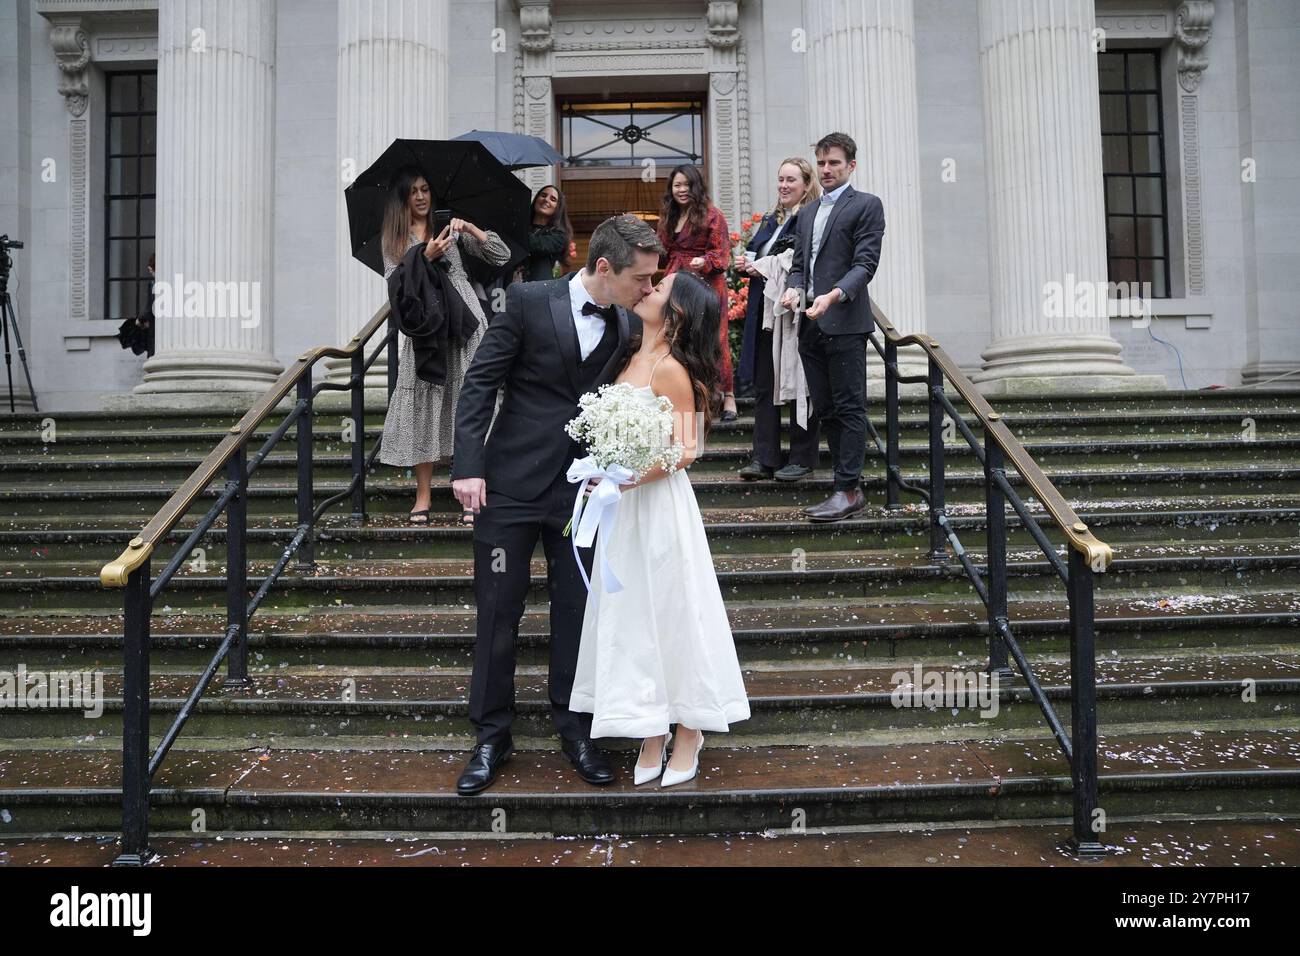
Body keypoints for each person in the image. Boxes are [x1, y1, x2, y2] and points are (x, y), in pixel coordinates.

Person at [449, 214, 665, 795]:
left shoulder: (626, 324)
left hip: (583, 495)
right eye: (641, 279)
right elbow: (480, 384)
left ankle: (577, 730)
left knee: (578, 614)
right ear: (603, 268)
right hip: (510, 487)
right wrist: (467, 466)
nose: (649, 290)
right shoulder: (525, 300)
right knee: (498, 613)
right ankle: (492, 735)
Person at [569, 269, 751, 787]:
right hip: (622, 511)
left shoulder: (672, 369)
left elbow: (689, 448)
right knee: (632, 617)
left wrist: (629, 476)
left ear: (679, 313)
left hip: (658, 505)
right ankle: (650, 728)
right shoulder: (626, 358)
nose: (646, 289)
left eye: (659, 288)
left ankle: (689, 727)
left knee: (671, 610)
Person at [377, 168, 510, 527]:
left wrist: (470, 230)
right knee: (423, 404)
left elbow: (500, 256)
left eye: (425, 189)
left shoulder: (448, 229)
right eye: (413, 191)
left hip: (464, 322)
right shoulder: (393, 238)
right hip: (426, 329)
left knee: (470, 403)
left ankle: (469, 491)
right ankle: (423, 495)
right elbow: (395, 286)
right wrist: (425, 257)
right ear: (403, 198)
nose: (421, 196)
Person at [780, 132, 885, 523]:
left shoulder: (867, 206)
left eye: (834, 163)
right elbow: (799, 264)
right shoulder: (805, 213)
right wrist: (794, 290)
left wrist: (834, 295)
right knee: (825, 409)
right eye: (822, 163)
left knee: (849, 407)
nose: (826, 170)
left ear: (850, 166)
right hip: (809, 325)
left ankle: (848, 489)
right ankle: (843, 486)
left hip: (844, 322)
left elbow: (865, 264)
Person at [736, 157, 822, 482]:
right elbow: (757, 253)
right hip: (764, 311)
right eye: (781, 179)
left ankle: (801, 457)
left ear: (805, 184)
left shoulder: (810, 218)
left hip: (796, 313)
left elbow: (804, 260)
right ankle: (764, 457)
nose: (784, 186)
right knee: (764, 383)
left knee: (800, 383)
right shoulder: (772, 219)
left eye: (791, 180)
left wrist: (765, 264)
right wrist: (749, 264)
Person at [657, 165, 737, 421]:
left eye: (687, 185)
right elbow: (662, 252)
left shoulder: (713, 215)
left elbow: (722, 255)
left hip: (706, 284)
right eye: (677, 185)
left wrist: (705, 261)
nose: (682, 190)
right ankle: (689, 395)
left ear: (697, 186)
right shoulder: (669, 216)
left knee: (714, 338)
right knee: (678, 337)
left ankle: (728, 397)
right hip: (676, 282)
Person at [519, 184, 573, 282]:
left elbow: (536, 244)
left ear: (558, 207)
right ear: (536, 199)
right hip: (510, 286)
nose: (546, 200)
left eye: (552, 199)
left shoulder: (559, 236)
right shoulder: (521, 226)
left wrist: (514, 234)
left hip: (539, 289)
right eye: (543, 195)